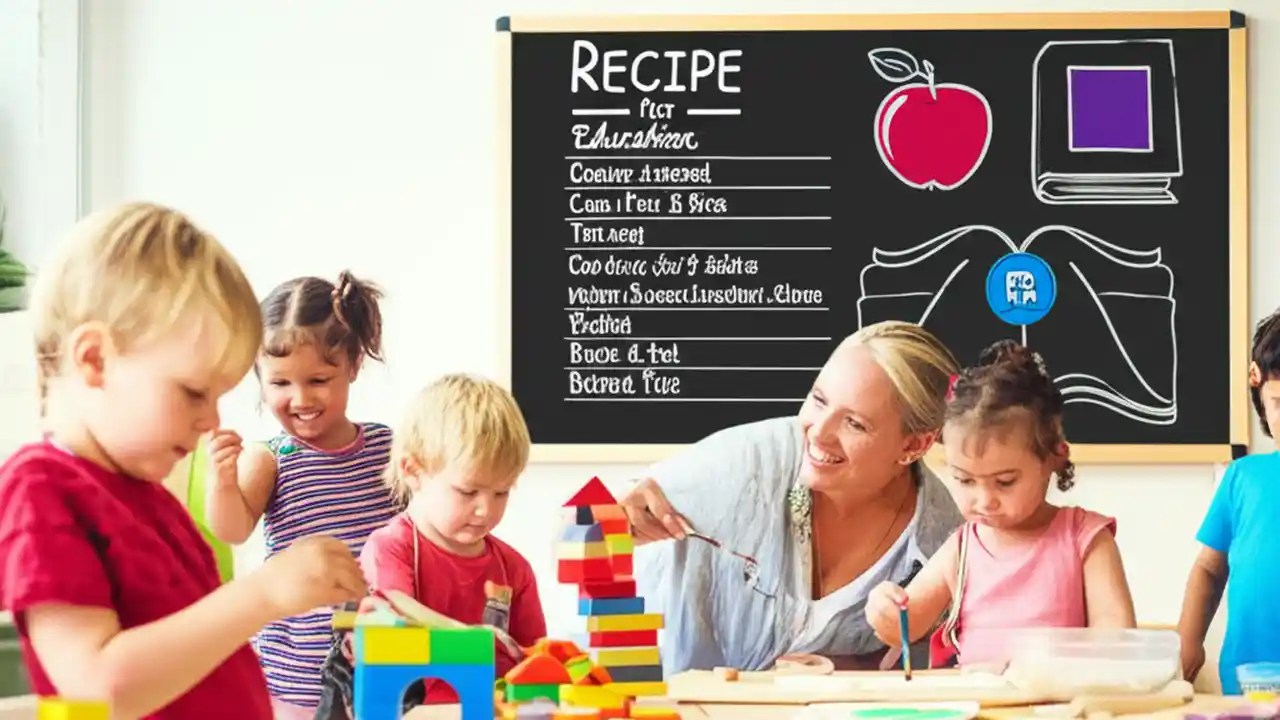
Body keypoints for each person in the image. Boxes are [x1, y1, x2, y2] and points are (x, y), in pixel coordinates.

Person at [0, 202, 366, 719]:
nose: (211, 421)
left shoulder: (147, 499)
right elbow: (95, 690)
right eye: (195, 392)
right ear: (94, 360)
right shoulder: (40, 488)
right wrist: (262, 596)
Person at [624, 321, 965, 673]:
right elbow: (574, 525)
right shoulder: (746, 463)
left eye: (855, 423)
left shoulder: (947, 544)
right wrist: (612, 519)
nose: (819, 432)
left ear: (915, 445)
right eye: (819, 400)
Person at [865, 340, 1136, 668]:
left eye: (1005, 481)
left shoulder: (1086, 538)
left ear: (1053, 458)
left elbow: (1116, 635)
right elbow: (910, 622)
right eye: (965, 480)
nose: (984, 500)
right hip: (981, 706)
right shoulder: (963, 547)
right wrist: (887, 610)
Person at [203, 271, 399, 718]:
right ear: (259, 379)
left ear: (352, 366)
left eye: (318, 380)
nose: (299, 398)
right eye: (280, 384)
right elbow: (232, 529)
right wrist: (223, 482)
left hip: (377, 662)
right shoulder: (269, 458)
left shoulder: (387, 448)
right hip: (290, 675)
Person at [359, 373, 546, 704]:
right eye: (467, 491)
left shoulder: (514, 568)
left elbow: (533, 657)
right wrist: (465, 637)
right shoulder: (392, 548)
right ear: (412, 471)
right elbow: (396, 614)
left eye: (502, 492)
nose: (485, 510)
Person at [1179, 310, 1280, 694]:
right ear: (1261, 404)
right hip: (1251, 684)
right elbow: (1208, 568)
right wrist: (1188, 640)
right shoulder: (1243, 478)